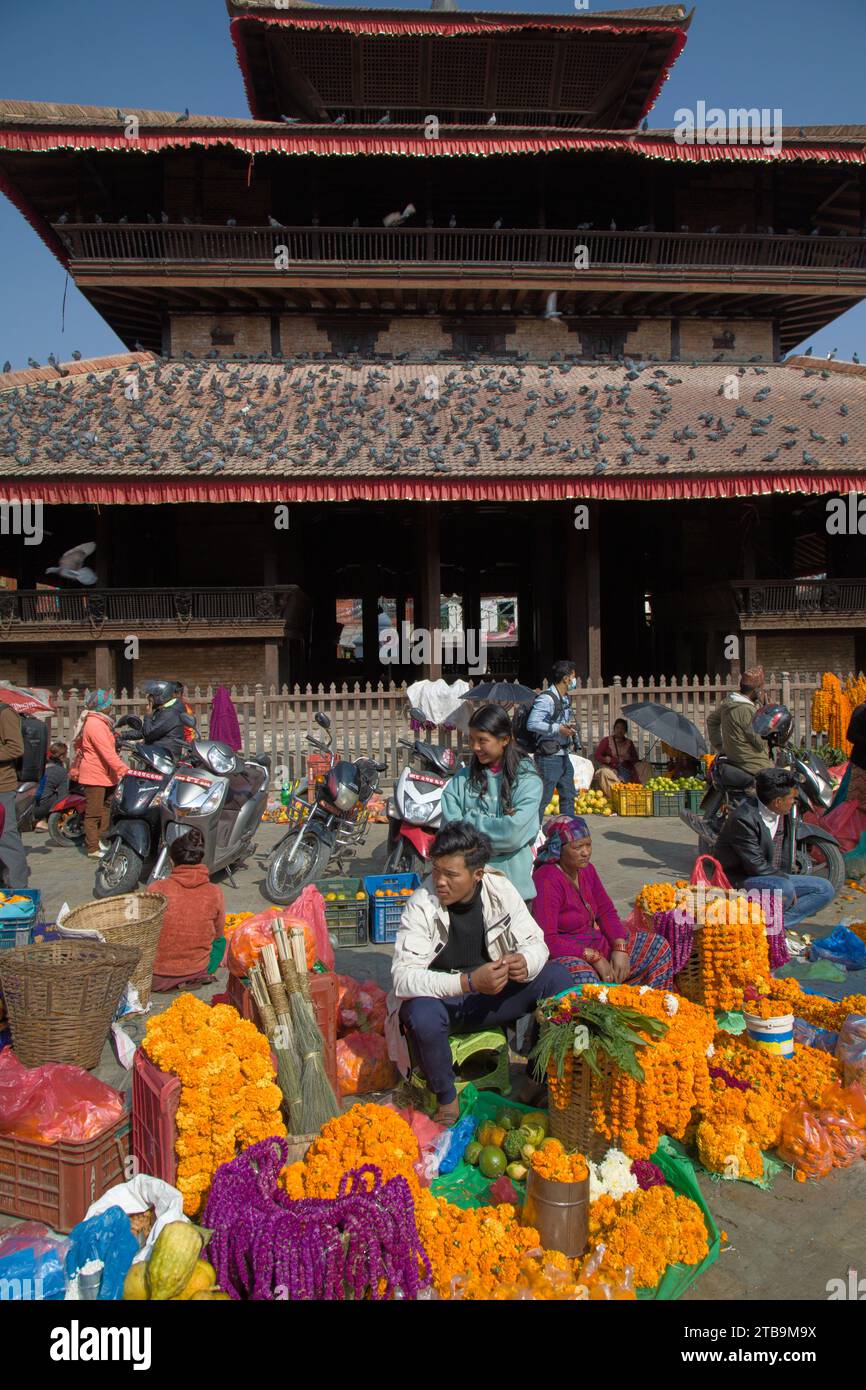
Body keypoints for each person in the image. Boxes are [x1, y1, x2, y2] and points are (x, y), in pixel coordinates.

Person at [389, 821, 572, 1123]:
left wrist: (525, 962)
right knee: (420, 1013)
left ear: (477, 874)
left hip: (493, 998)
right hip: (447, 1005)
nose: (440, 881)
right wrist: (468, 982)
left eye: (451, 874)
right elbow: (403, 978)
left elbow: (536, 943)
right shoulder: (421, 904)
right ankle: (446, 1099)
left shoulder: (499, 889)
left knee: (559, 980)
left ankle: (535, 1079)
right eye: (436, 870)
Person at [532, 817, 674, 988]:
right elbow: (547, 940)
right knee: (586, 980)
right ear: (558, 849)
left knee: (658, 947)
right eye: (578, 847)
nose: (586, 852)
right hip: (568, 955)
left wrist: (619, 947)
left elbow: (606, 911)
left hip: (597, 944)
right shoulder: (546, 879)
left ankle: (650, 1006)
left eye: (588, 845)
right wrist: (593, 957)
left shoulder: (587, 870)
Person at [441, 702, 542, 900]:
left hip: (513, 891)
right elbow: (451, 834)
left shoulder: (528, 781)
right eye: (471, 740)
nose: (475, 747)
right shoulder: (461, 780)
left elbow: (512, 834)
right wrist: (500, 825)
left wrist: (468, 820)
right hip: (468, 892)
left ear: (504, 739)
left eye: (482, 740)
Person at [713, 767, 836, 928]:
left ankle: (774, 927)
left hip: (770, 876)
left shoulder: (782, 814)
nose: (794, 802)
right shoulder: (743, 819)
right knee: (784, 889)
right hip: (740, 879)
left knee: (825, 889)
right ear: (778, 801)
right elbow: (756, 866)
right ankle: (769, 928)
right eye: (792, 798)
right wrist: (786, 883)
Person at [146, 827, 225, 992]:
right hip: (196, 970)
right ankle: (196, 976)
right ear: (200, 861)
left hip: (156, 977)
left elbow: (144, 931)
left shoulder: (155, 889)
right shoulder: (214, 892)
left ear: (172, 862)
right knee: (222, 941)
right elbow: (217, 935)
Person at [70, 690, 128, 858]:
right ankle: (92, 847)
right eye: (109, 704)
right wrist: (123, 769)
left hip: (106, 774)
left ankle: (103, 839)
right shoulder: (94, 724)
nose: (111, 707)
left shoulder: (102, 722)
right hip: (95, 774)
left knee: (107, 808)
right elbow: (106, 752)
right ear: (101, 706)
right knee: (94, 812)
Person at [526, 659, 581, 819]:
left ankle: (568, 833)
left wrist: (567, 728)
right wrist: (558, 729)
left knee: (569, 796)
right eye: (573, 676)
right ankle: (532, 835)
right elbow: (532, 723)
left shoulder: (564, 698)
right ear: (566, 678)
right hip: (549, 758)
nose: (574, 680)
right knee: (543, 799)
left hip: (563, 755)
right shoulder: (547, 699)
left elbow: (557, 723)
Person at [706, 667, 773, 776]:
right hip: (753, 765)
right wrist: (766, 715)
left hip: (735, 759)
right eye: (761, 689)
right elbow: (759, 743)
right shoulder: (746, 710)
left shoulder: (729, 703)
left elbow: (711, 720)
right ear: (756, 690)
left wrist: (720, 746)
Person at [116, 679, 194, 760]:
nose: (149, 699)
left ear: (160, 697)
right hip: (159, 753)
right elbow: (148, 730)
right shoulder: (165, 709)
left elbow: (149, 733)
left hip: (164, 757)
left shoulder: (170, 712)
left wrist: (148, 715)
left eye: (151, 697)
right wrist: (123, 735)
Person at [0, 700, 28, 887]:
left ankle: (19, 887)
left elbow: (16, 748)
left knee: (6, 835)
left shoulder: (4, 712)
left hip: (2, 785)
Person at [592, 718, 651, 797]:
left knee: (645, 765)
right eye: (617, 728)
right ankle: (619, 795)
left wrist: (629, 758)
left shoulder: (629, 743)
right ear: (614, 729)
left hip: (627, 770)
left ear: (625, 731)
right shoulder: (607, 741)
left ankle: (642, 793)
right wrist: (606, 759)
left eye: (622, 728)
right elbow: (597, 755)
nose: (620, 730)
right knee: (603, 772)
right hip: (612, 769)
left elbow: (635, 759)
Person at [32, 741, 70, 831]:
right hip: (41, 808)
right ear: (61, 756)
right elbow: (63, 796)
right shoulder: (60, 771)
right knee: (66, 797)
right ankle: (56, 822)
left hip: (30, 805)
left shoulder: (43, 766)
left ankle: (40, 821)